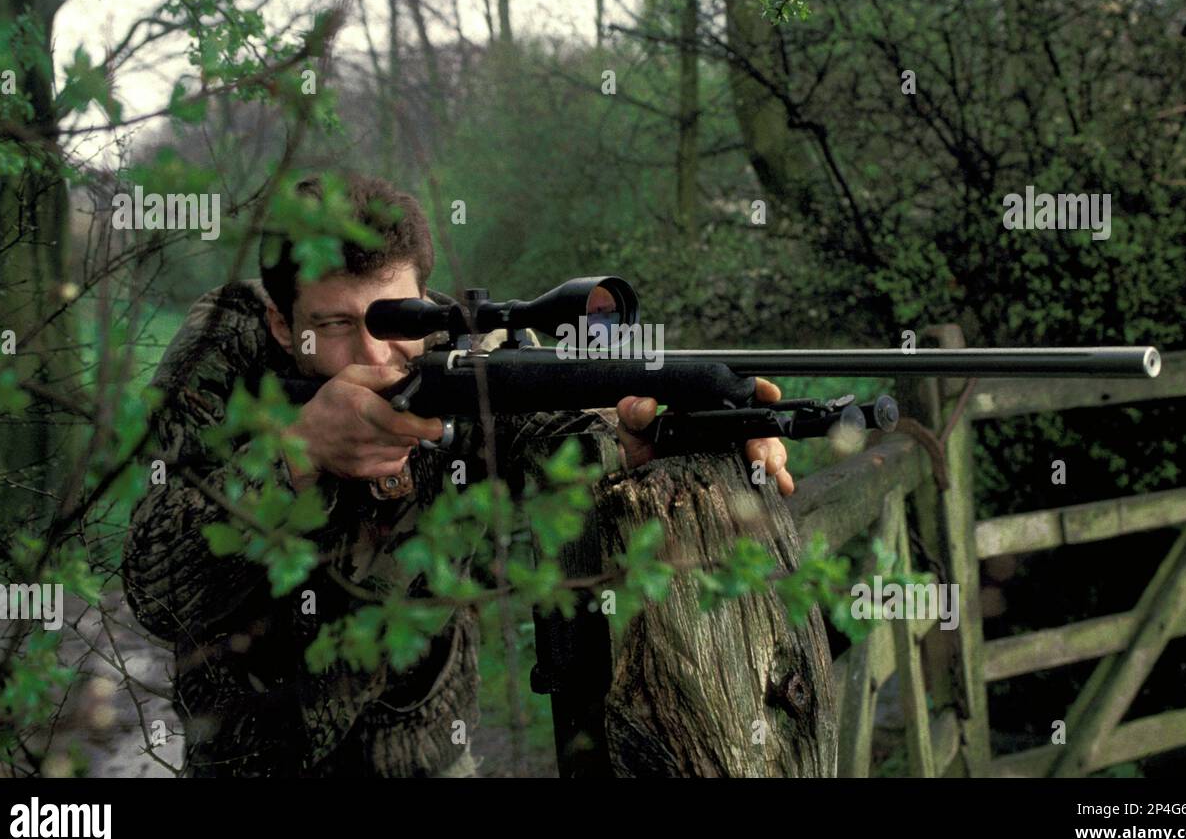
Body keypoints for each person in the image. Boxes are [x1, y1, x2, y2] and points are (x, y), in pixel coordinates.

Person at [122, 174, 793, 776]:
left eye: (394, 318)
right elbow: (154, 590)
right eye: (334, 324)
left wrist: (700, 424)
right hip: (250, 756)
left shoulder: (462, 351)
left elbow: (569, 431)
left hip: (424, 744)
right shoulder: (221, 357)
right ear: (279, 320)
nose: (375, 354)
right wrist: (295, 455)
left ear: (424, 297)